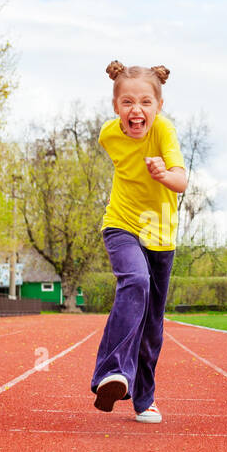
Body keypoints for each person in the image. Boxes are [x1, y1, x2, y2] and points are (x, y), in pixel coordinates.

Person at [91, 60, 187, 423]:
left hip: (160, 237)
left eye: (146, 102)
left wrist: (163, 173)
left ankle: (144, 398)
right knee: (135, 281)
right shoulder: (107, 134)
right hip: (121, 225)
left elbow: (181, 181)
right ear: (115, 107)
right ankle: (110, 373)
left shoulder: (163, 130)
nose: (137, 110)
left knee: (152, 326)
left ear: (158, 106)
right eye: (127, 102)